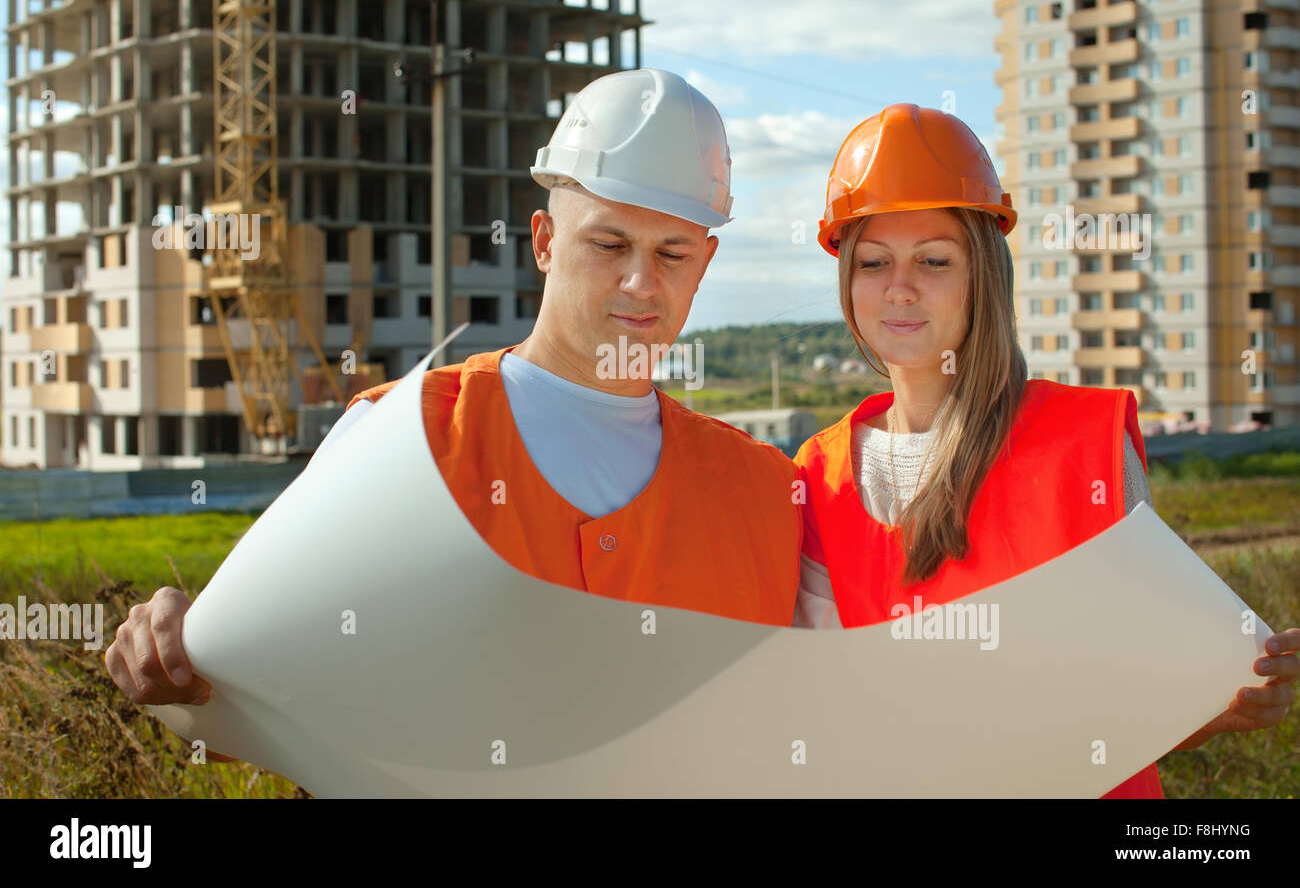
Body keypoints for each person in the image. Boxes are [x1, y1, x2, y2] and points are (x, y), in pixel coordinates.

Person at [105, 69, 803, 755]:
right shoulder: (404, 440)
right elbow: (263, 697)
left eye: (672, 253)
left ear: (704, 263)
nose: (640, 282)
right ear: (544, 241)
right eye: (609, 243)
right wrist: (180, 648)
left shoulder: (766, 494)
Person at [792, 102, 1299, 798]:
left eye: (933, 260)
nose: (899, 287)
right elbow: (824, 714)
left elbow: (1144, 683)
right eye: (874, 261)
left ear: (984, 277)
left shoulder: (1085, 446)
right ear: (847, 279)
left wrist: (1220, 703)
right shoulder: (818, 477)